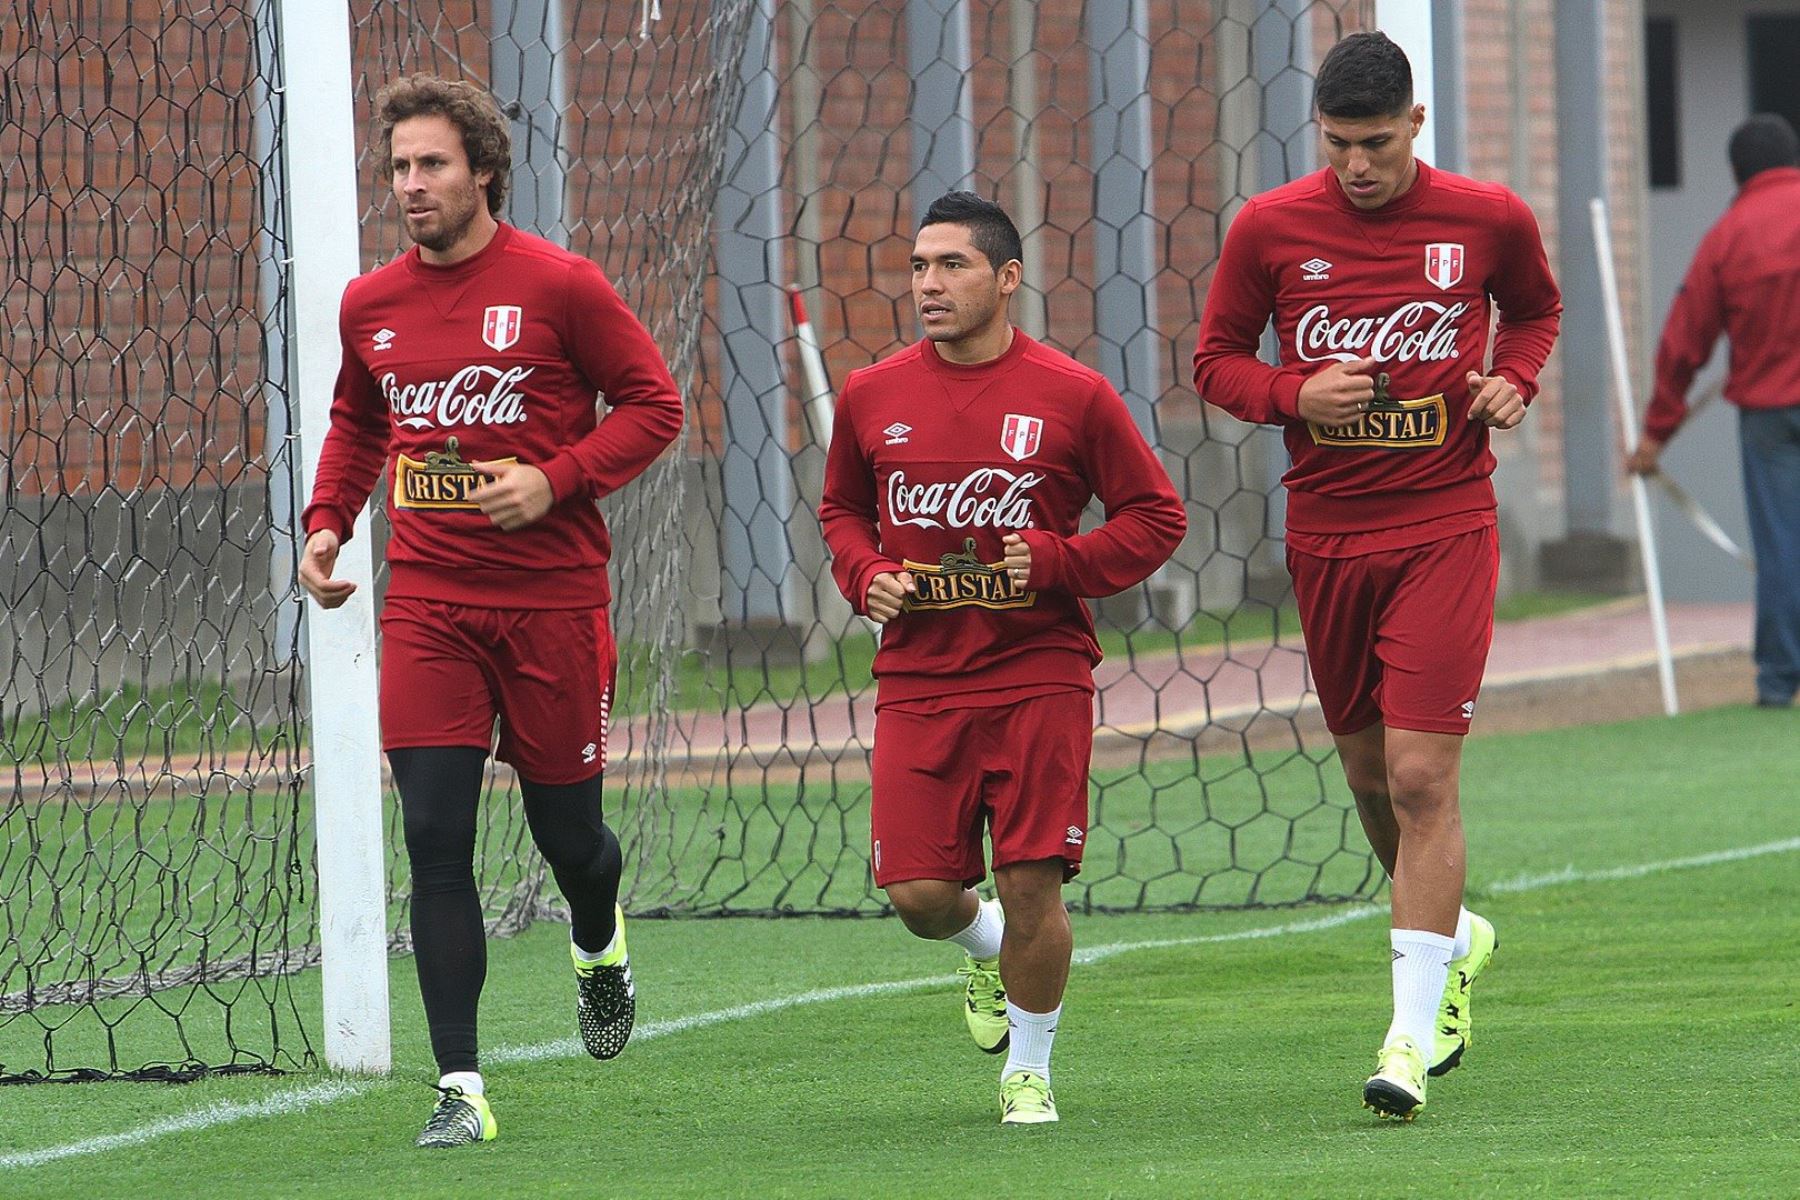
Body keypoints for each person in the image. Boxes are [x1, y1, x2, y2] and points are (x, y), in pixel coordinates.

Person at [297, 74, 684, 1147]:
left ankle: (597, 939)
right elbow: (358, 423)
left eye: (432, 164)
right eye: (398, 167)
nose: (411, 184)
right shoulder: (371, 304)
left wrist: (556, 479)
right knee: (434, 836)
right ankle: (460, 1086)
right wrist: (327, 522)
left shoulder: (562, 286)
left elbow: (655, 404)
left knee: (572, 840)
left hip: (553, 606)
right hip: (428, 603)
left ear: (484, 172)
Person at [1192, 32, 1561, 1120]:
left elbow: (1534, 312)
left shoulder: (1488, 218)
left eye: (1378, 143)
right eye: (1339, 144)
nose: (1357, 165)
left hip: (1446, 523)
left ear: (1416, 124)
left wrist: (1515, 380)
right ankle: (1453, 935)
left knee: (1419, 778)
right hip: (1326, 534)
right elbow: (1215, 360)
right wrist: (1293, 395)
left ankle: (1410, 1032)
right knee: (1366, 776)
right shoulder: (1268, 228)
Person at [819, 192, 1185, 1125]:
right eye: (919, 266)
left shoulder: (1074, 394)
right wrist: (866, 574)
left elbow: (1156, 517)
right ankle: (985, 949)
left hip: (1039, 671)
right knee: (919, 895)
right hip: (920, 677)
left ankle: (1029, 1070)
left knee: (1030, 879)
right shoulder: (870, 394)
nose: (929, 284)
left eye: (953, 265)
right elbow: (842, 512)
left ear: (1008, 277)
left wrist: (1061, 562)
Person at [1627, 113, 1800, 709]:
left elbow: (1683, 343)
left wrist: (1656, 433)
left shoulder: (1728, 236)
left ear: (1736, 172)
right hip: (1770, 408)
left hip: (1770, 418)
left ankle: (1778, 681)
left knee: (1782, 547)